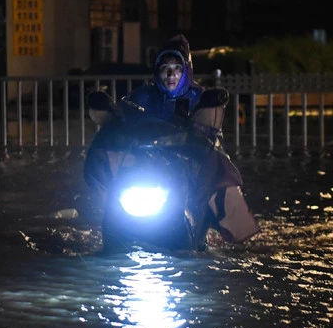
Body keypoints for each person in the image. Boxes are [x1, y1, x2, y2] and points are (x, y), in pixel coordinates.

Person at [84, 33, 259, 244]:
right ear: (157, 70)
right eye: (164, 67)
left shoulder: (199, 97)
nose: (170, 74)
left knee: (222, 182)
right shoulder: (142, 96)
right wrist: (110, 114)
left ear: (186, 70)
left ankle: (241, 240)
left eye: (177, 68)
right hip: (144, 165)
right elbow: (121, 119)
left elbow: (209, 131)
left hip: (187, 166)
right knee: (110, 192)